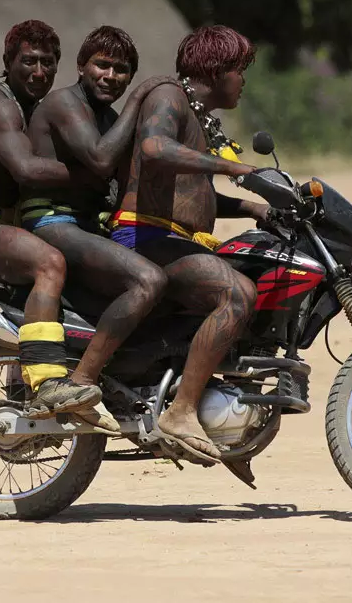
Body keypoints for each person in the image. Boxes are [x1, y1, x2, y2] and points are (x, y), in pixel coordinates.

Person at [108, 25, 269, 464]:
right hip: (145, 235)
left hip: (172, 236)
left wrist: (255, 209)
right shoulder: (169, 96)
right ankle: (181, 413)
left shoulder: (196, 114)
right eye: (239, 70)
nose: (243, 80)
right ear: (217, 70)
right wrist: (229, 167)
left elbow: (190, 193)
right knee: (238, 294)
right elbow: (156, 148)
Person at [0, 19, 101, 420]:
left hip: (8, 228)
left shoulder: (33, 109)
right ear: (7, 61)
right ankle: (47, 381)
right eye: (28, 61)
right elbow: (26, 171)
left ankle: (20, 387)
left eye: (48, 63)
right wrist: (98, 174)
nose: (39, 72)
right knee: (49, 263)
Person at [24, 26, 174, 399]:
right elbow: (101, 158)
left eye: (122, 70)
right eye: (102, 65)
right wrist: (139, 97)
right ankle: (82, 381)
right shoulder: (63, 104)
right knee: (148, 281)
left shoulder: (108, 119)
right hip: (51, 221)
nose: (111, 76)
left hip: (88, 227)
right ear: (80, 65)